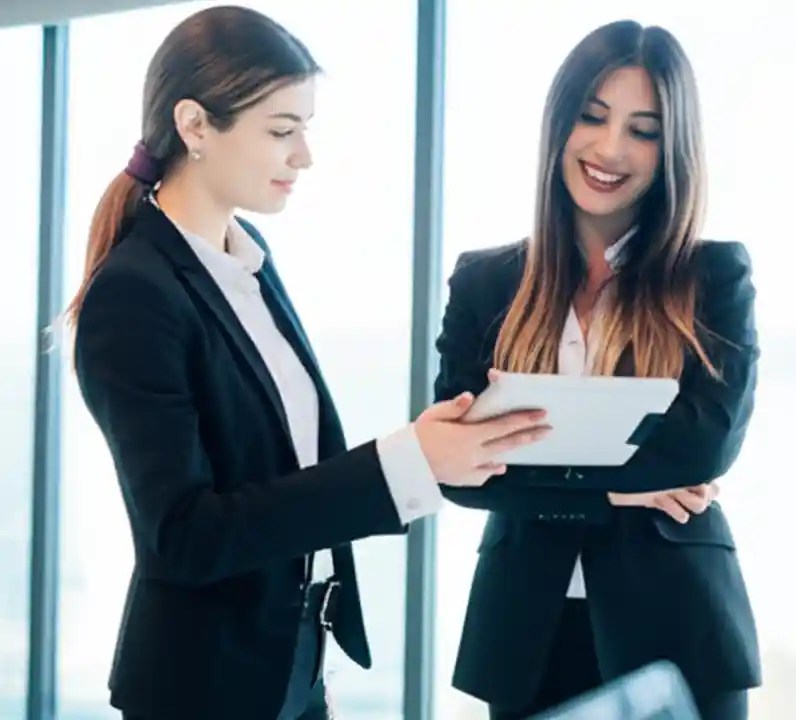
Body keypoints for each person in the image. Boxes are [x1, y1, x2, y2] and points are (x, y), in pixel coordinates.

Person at [67, 7, 550, 719]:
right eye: (281, 130)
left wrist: (430, 452)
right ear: (195, 125)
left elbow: (283, 470)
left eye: (305, 129)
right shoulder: (135, 295)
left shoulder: (248, 259)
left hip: (288, 668)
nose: (304, 157)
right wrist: (404, 463)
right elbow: (185, 536)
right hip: (204, 689)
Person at [433, 20, 761, 720]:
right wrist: (613, 491)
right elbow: (454, 465)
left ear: (671, 150)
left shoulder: (712, 275)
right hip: (528, 634)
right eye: (592, 116)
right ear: (560, 124)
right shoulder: (486, 283)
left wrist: (533, 458)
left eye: (643, 130)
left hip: (680, 630)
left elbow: (703, 444)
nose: (611, 149)